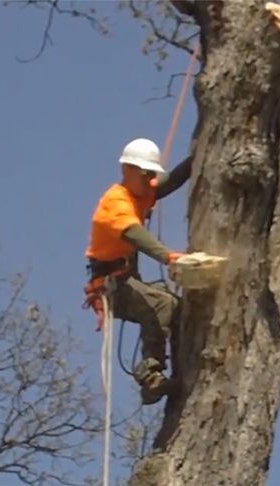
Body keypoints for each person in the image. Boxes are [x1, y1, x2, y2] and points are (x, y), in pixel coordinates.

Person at [83, 138, 192, 404]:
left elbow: (173, 181)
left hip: (126, 279)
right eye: (146, 175)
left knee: (175, 305)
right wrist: (168, 257)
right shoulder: (115, 204)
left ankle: (178, 366)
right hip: (111, 285)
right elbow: (135, 234)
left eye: (153, 175)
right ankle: (150, 378)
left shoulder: (139, 193)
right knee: (160, 304)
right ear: (128, 170)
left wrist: (196, 158)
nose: (151, 181)